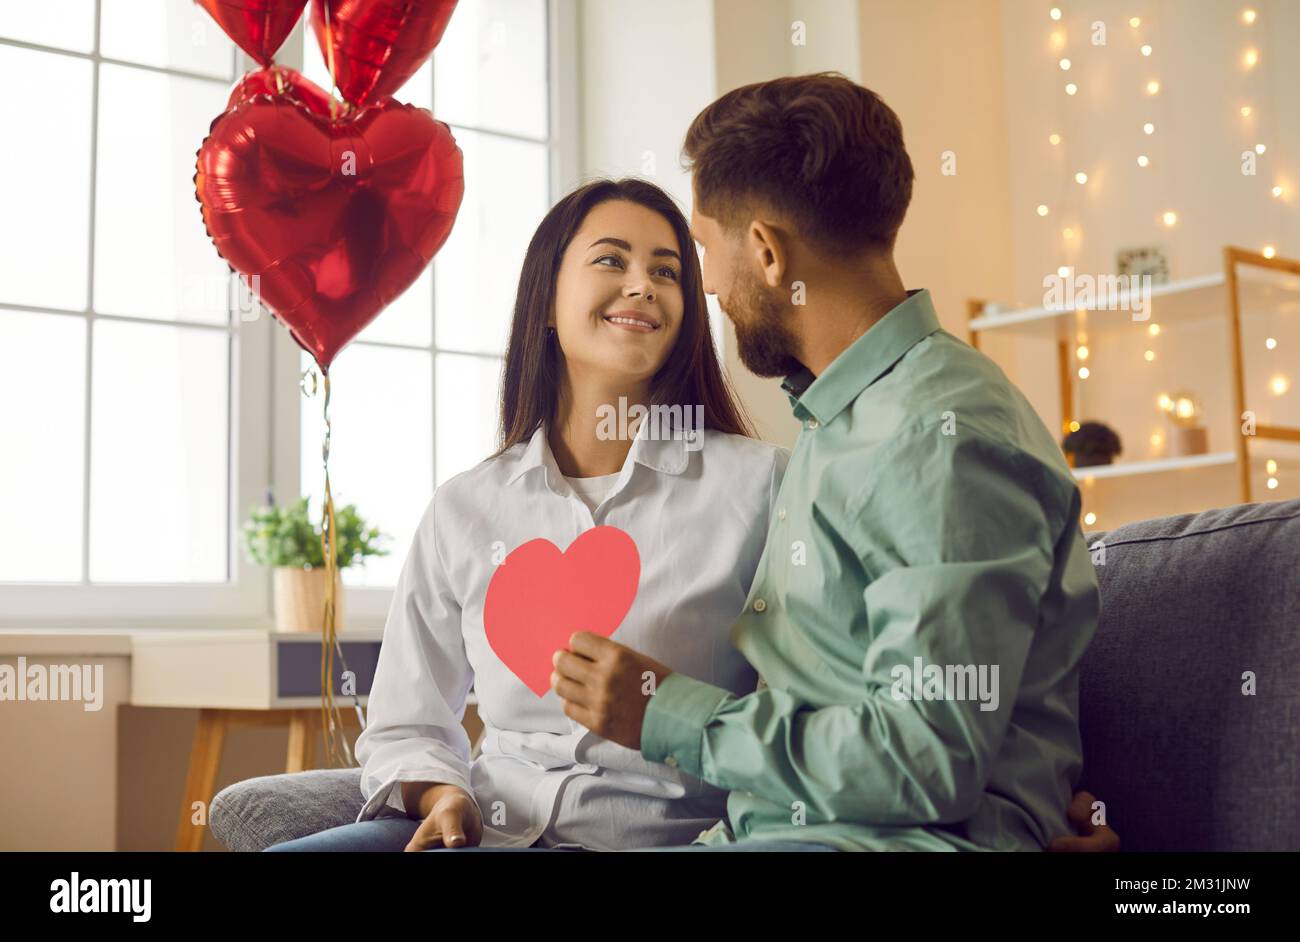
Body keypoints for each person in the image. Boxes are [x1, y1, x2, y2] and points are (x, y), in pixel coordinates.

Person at [267, 176, 1116, 853]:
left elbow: (866, 689)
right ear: (546, 294)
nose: (645, 284)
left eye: (671, 268)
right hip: (493, 831)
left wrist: (1023, 803)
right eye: (610, 260)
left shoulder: (763, 484)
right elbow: (409, 721)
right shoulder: (466, 509)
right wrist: (441, 791)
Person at [552, 73, 1109, 852]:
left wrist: (666, 713)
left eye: (704, 251)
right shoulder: (838, 421)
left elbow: (928, 758)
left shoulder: (937, 437)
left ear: (769, 253)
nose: (708, 285)